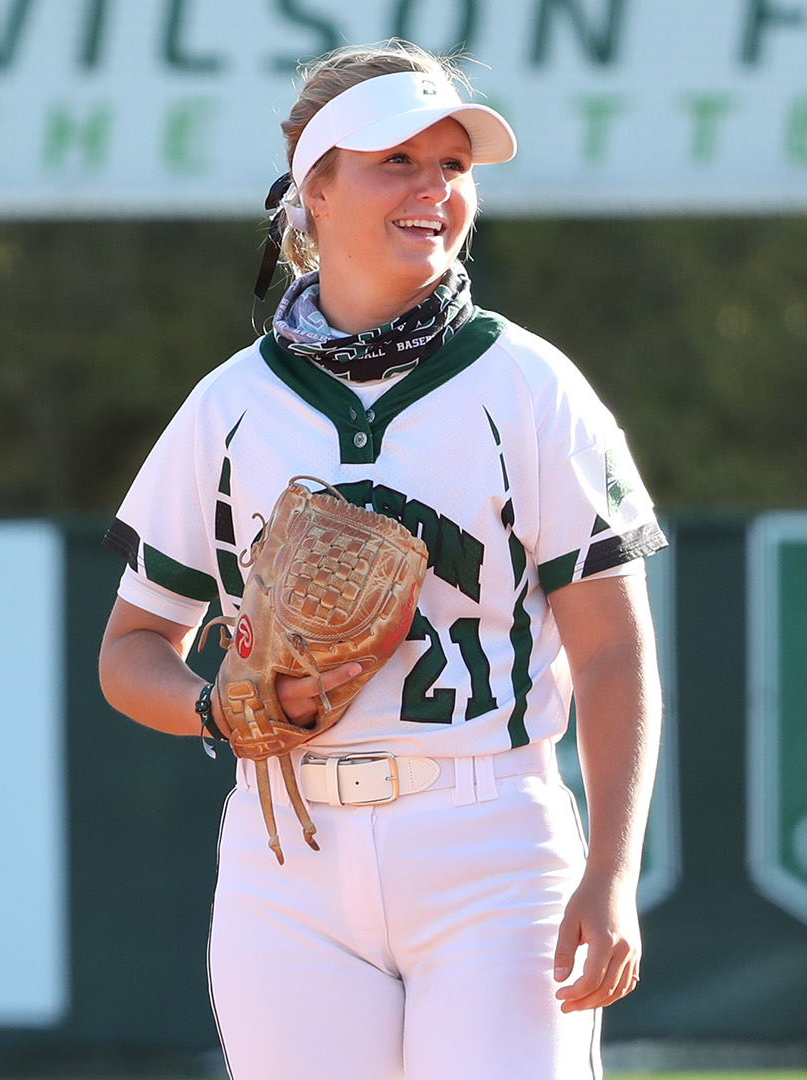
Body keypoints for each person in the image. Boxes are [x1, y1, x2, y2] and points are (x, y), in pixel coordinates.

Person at [98, 40, 665, 1080]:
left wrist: (611, 875)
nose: (433, 189)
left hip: (490, 839)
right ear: (315, 187)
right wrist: (220, 708)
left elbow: (617, 656)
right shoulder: (230, 408)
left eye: (452, 167)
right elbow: (133, 648)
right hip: (289, 854)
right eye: (395, 160)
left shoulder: (528, 387)